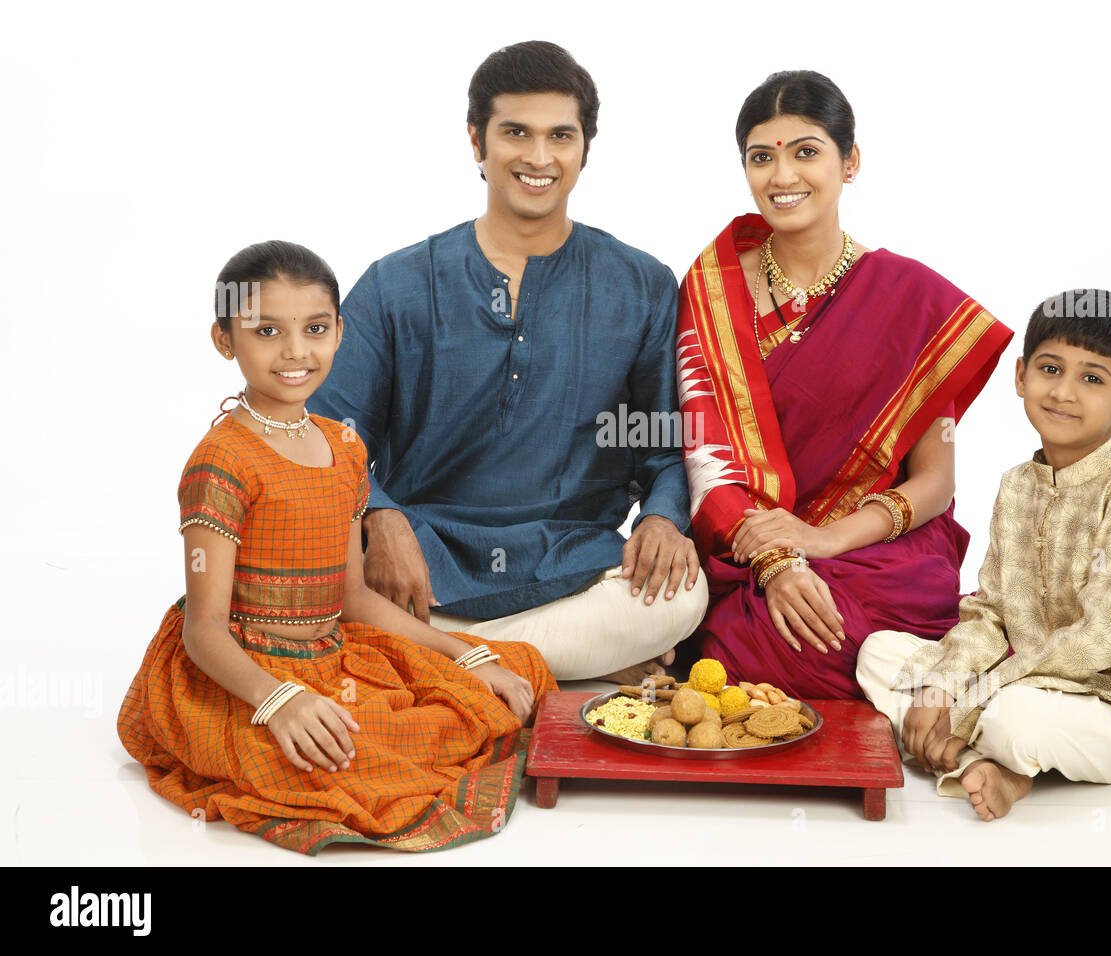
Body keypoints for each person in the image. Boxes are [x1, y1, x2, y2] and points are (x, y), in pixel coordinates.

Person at [117, 241, 557, 855]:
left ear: (340, 332)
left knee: (507, 670)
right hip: (245, 675)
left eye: (315, 329)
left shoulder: (344, 447)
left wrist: (464, 656)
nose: (296, 351)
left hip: (334, 654)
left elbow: (351, 597)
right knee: (331, 760)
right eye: (267, 330)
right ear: (224, 340)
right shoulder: (221, 462)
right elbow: (203, 628)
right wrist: (283, 702)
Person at [310, 41, 705, 683]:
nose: (539, 157)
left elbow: (665, 445)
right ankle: (561, 667)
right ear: (477, 141)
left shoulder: (640, 286)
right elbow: (328, 435)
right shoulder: (398, 284)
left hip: (571, 565)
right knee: (320, 573)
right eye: (515, 132)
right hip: (419, 567)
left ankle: (436, 660)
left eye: (561, 136)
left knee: (683, 597)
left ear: (584, 148)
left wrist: (662, 518)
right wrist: (379, 516)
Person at [679, 71, 1013, 700]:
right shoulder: (712, 288)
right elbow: (705, 453)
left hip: (871, 547)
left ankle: (920, 686)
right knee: (747, 641)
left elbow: (936, 482)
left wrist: (822, 538)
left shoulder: (910, 298)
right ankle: (922, 692)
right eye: (762, 157)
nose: (783, 177)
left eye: (806, 151)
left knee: (808, 642)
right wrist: (779, 558)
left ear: (849, 161)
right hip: (747, 545)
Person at [856, 290, 1111, 821]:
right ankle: (987, 765)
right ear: (1020, 376)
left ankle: (981, 749)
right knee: (879, 653)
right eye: (1050, 368)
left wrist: (964, 701)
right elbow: (991, 612)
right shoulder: (1018, 486)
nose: (1063, 392)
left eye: (1092, 378)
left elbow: (1100, 641)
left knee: (1017, 720)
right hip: (1017, 679)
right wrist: (944, 684)